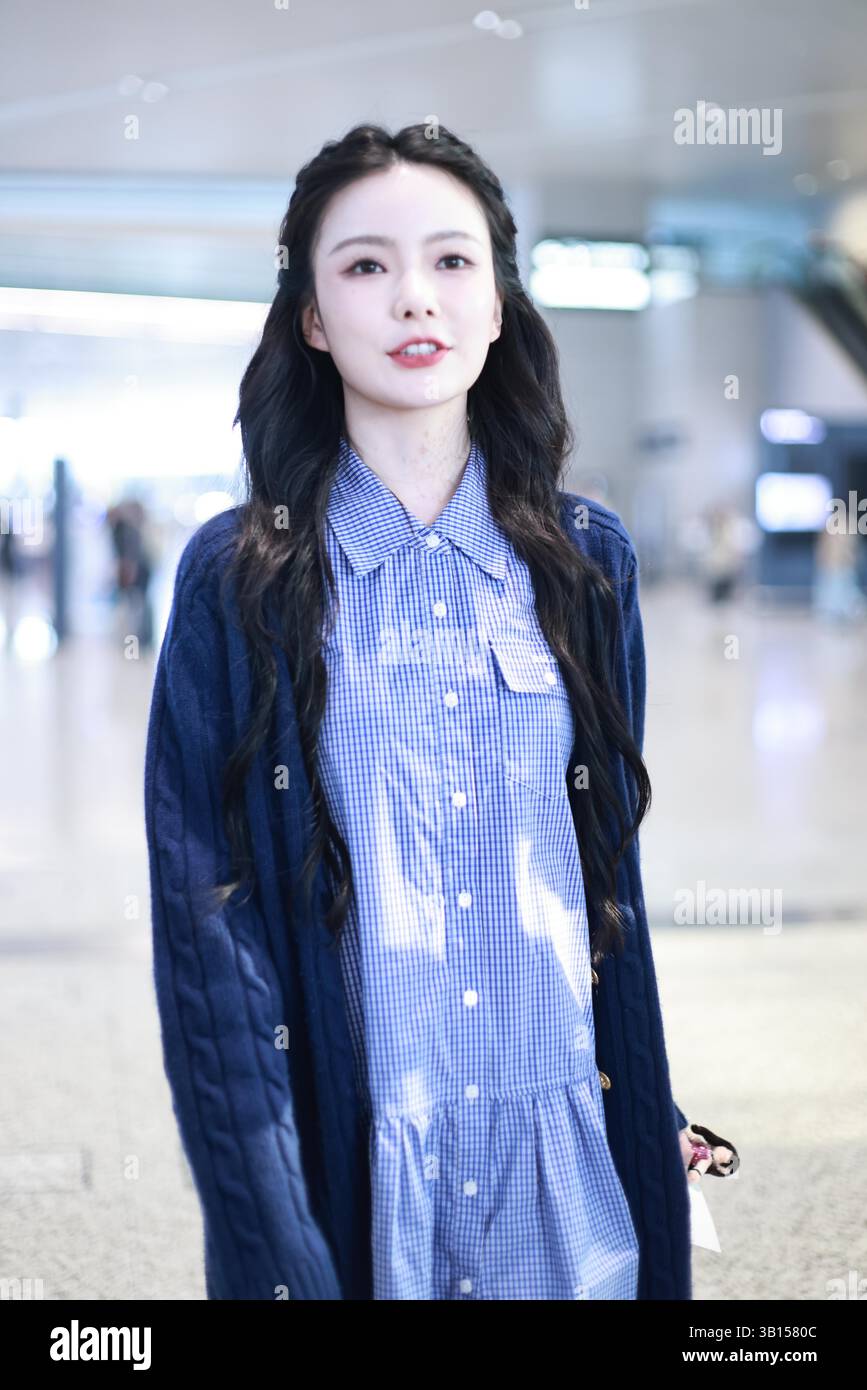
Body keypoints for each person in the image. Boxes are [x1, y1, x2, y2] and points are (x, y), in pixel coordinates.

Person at [145, 122, 734, 1301]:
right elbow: (208, 934)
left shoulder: (587, 562)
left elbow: (596, 876)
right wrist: (267, 1230)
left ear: (500, 303)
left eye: (453, 262)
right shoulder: (240, 576)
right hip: (361, 1173)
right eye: (365, 265)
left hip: (567, 1169)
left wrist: (646, 1092)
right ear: (312, 317)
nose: (414, 295)